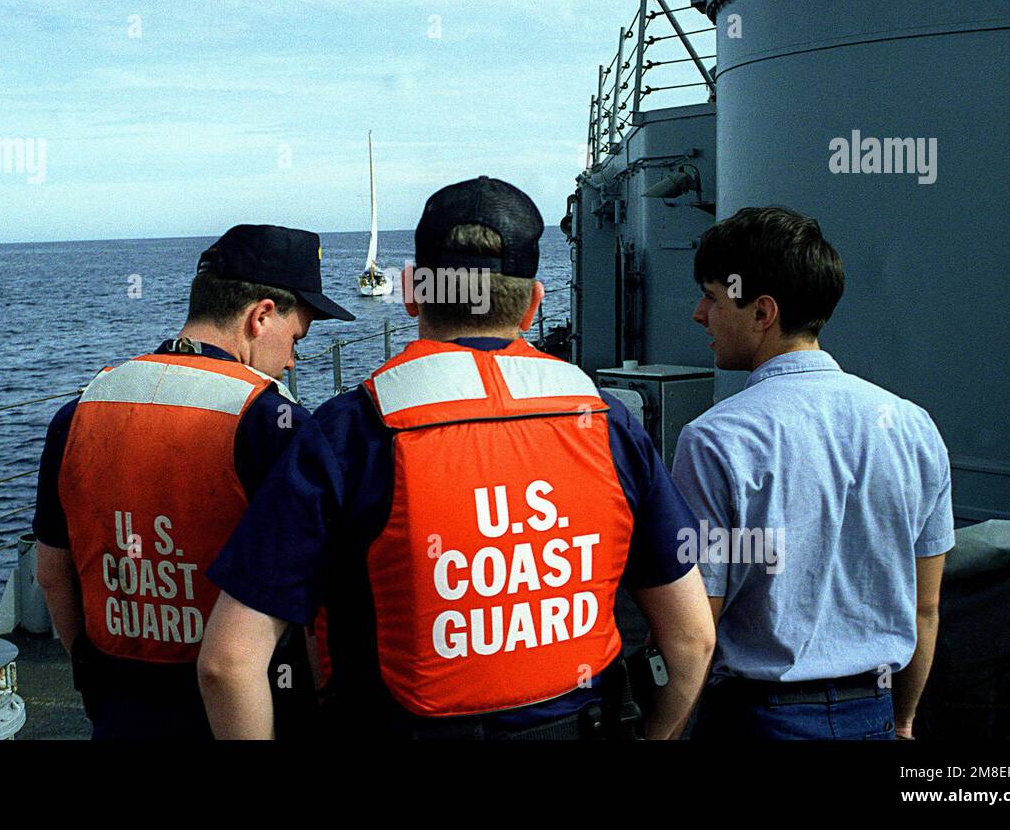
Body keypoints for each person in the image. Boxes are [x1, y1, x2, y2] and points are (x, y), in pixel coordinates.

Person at [196, 177, 716, 740]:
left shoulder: (349, 432)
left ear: (413, 290)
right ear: (533, 303)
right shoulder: (608, 423)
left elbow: (228, 663)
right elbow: (690, 637)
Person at [32, 224, 355, 739]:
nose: (293, 358)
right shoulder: (272, 424)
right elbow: (314, 604)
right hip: (245, 712)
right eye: (296, 338)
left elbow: (51, 573)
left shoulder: (80, 411)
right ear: (261, 316)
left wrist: (97, 676)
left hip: (118, 706)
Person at [671, 206, 953, 740]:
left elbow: (695, 633)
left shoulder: (714, 438)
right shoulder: (915, 427)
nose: (698, 314)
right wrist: (905, 721)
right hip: (874, 713)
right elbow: (926, 607)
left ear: (762, 313)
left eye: (711, 295)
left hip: (757, 720)